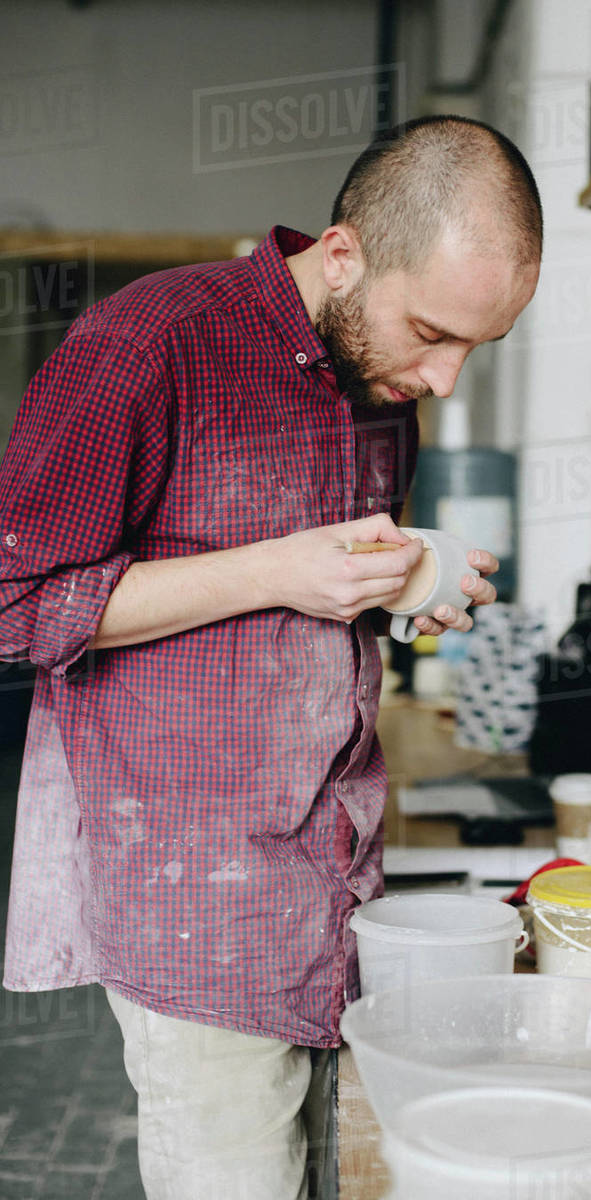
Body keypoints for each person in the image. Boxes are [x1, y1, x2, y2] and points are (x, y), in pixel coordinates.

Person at [0, 115, 542, 1198]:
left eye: (477, 347)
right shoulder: (147, 344)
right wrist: (276, 570)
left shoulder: (376, 384)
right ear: (341, 254)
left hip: (334, 884)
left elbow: (327, 584)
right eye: (431, 331)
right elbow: (17, 605)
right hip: (193, 895)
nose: (444, 379)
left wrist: (405, 590)